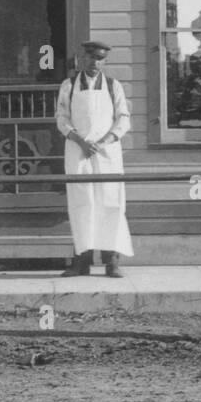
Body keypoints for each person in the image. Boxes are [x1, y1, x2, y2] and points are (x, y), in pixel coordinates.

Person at [56, 40, 134, 277]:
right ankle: (82, 260)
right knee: (82, 203)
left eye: (99, 59)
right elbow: (62, 118)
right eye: (91, 57)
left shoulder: (113, 86)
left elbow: (123, 119)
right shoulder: (69, 86)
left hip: (107, 153)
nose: (94, 62)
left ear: (104, 61)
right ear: (82, 58)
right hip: (79, 152)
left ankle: (112, 260)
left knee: (110, 203)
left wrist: (103, 142)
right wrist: (81, 141)